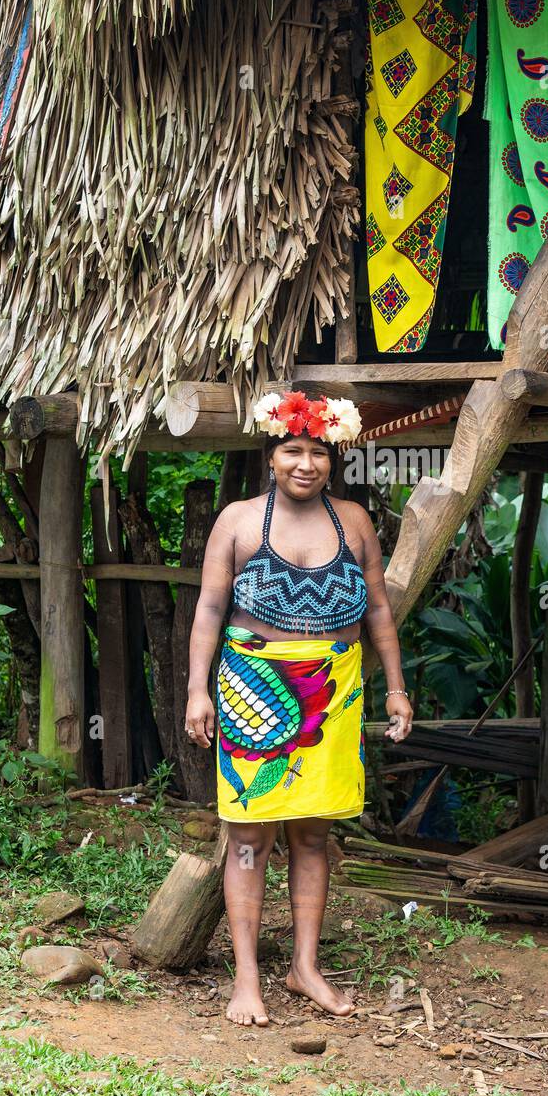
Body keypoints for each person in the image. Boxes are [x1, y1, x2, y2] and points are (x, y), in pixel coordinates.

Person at [185, 389, 412, 1026]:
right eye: (292, 450)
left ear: (332, 459)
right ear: (272, 456)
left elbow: (377, 611)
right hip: (250, 689)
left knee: (314, 833)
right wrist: (198, 690)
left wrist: (394, 686)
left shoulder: (354, 522)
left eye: (317, 451)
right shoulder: (236, 520)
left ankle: (304, 967)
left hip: (336, 693)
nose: (305, 463)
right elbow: (207, 611)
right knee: (250, 838)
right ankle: (247, 979)